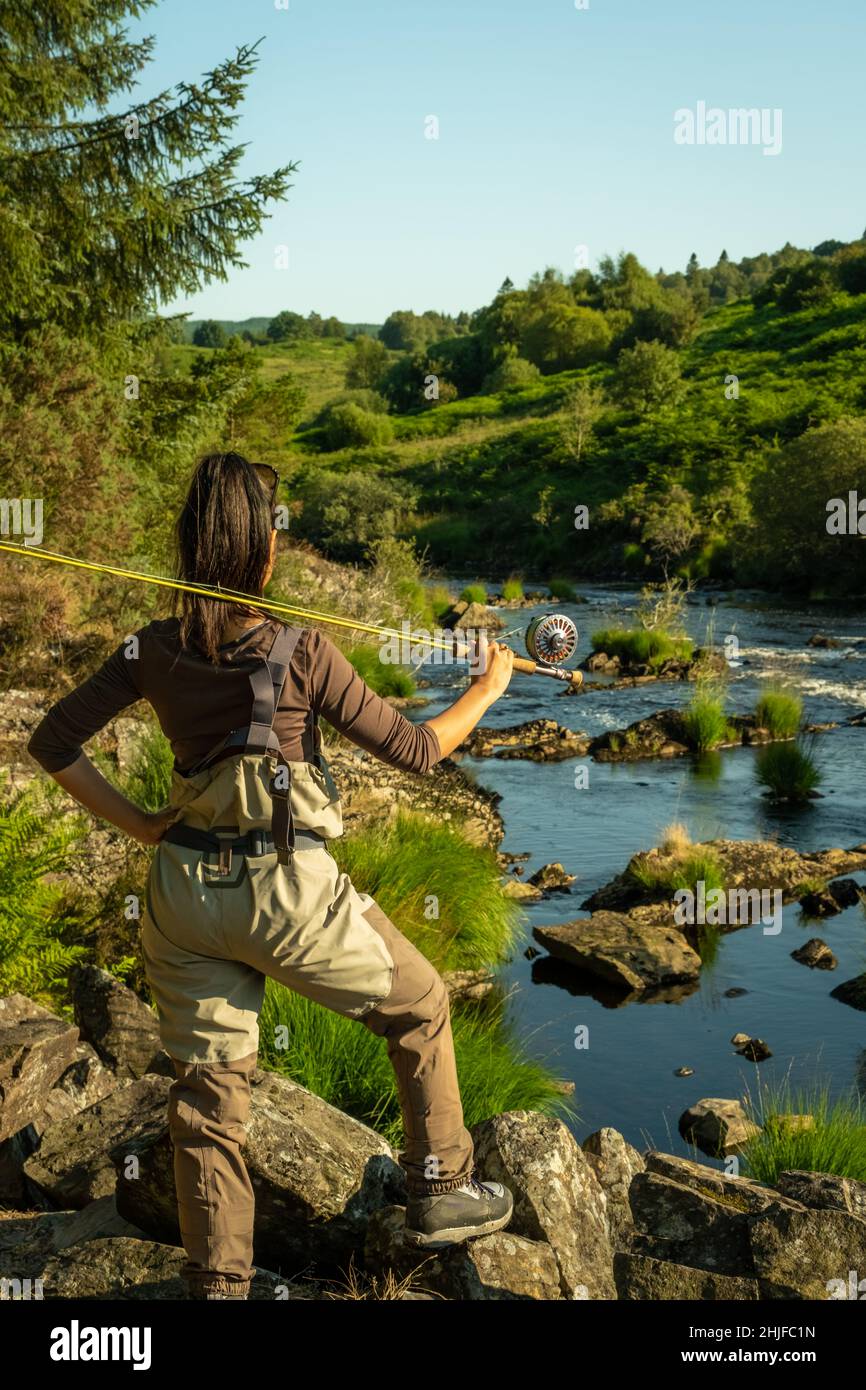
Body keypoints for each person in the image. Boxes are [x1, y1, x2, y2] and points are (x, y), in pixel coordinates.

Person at [27, 451, 516, 1300]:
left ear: (189, 545)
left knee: (209, 1103)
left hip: (183, 897)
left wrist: (141, 825)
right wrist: (490, 687)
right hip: (289, 893)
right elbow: (416, 749)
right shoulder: (301, 650)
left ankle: (219, 1287)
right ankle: (439, 1189)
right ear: (263, 553)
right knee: (421, 1004)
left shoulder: (147, 648)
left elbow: (52, 743)